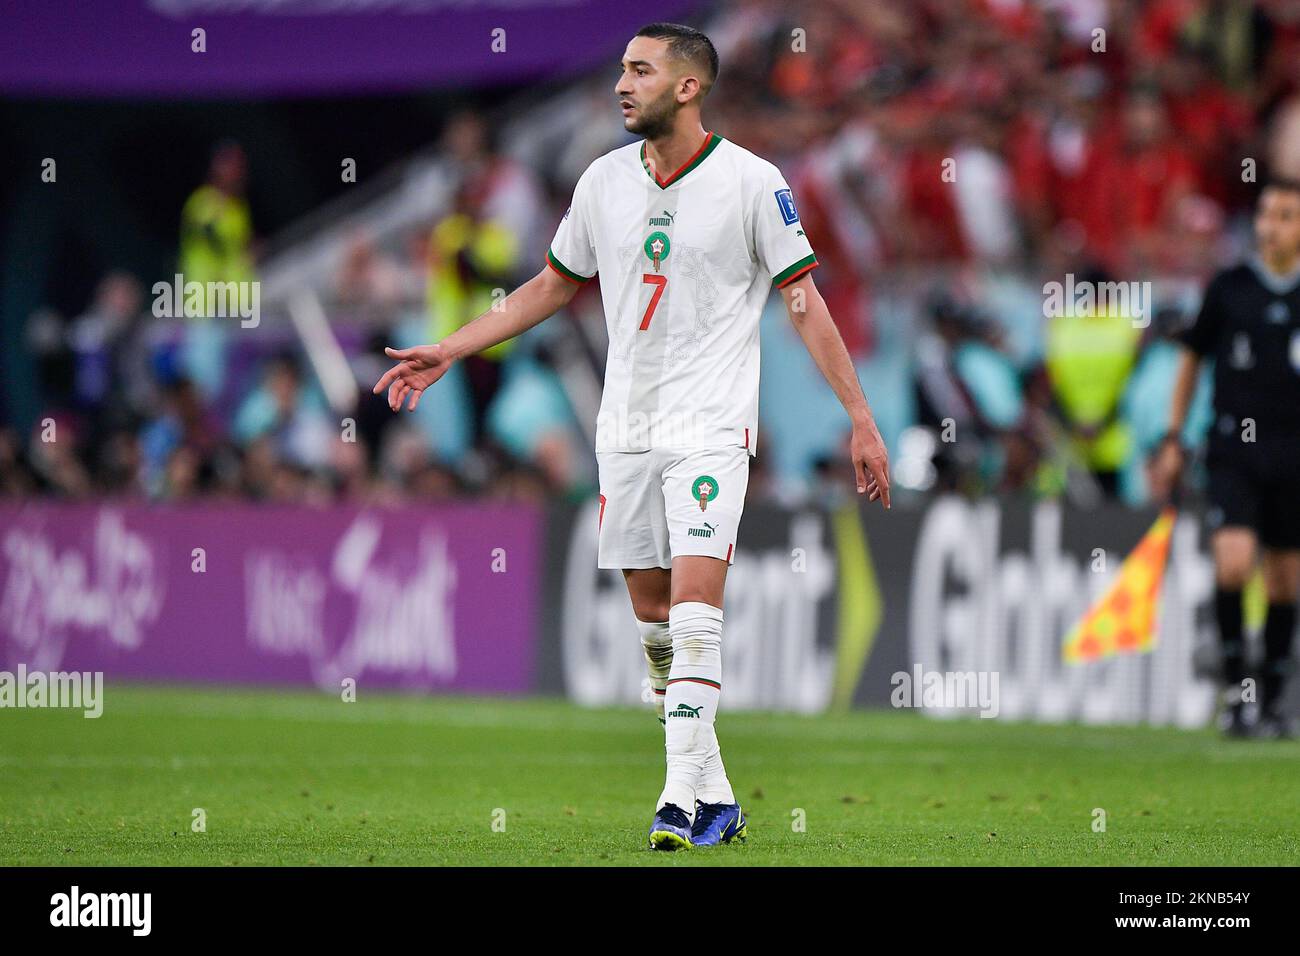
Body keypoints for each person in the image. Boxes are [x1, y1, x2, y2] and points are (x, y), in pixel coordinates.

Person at [373, 22, 890, 849]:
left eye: (641, 71)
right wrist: (452, 345)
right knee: (654, 625)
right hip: (627, 429)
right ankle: (716, 796)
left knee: (692, 615)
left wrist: (859, 418)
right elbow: (548, 286)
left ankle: (678, 800)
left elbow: (804, 301)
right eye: (621, 68)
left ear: (688, 87)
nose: (622, 83)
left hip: (711, 426)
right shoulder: (602, 183)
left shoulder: (755, 184)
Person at [1150, 179, 1300, 738]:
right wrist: (1173, 436)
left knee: (1285, 582)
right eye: (1265, 214)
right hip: (1234, 445)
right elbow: (1192, 357)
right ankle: (1238, 695)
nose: (1271, 225)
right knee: (1234, 563)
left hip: (1294, 453)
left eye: (1286, 216)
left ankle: (1274, 700)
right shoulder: (1230, 287)